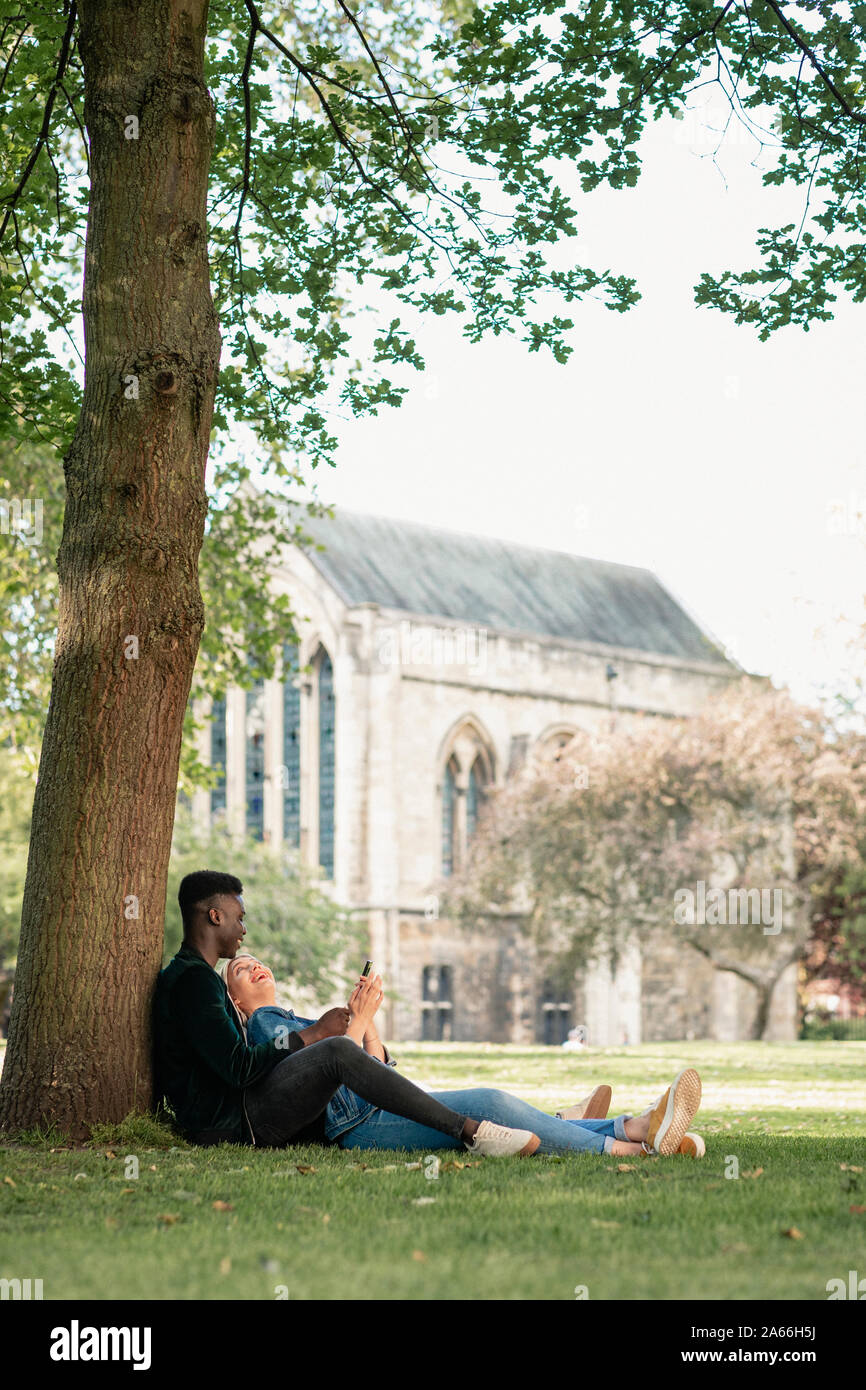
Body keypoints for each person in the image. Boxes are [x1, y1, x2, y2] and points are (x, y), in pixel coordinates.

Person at [152, 871, 542, 1158]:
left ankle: (517, 1129)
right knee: (336, 1050)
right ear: (215, 916)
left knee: (338, 1048)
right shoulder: (192, 980)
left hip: (249, 1113)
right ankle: (472, 1134)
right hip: (235, 1126)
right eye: (239, 917)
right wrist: (313, 1034)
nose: (244, 929)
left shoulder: (198, 978)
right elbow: (237, 1067)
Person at [229, 951, 706, 1159]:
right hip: (359, 1128)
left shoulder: (292, 1020)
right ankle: (627, 1146)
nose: (253, 966)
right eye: (240, 971)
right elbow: (336, 1089)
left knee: (496, 1106)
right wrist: (356, 1023)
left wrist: (367, 1020)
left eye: (255, 962)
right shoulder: (265, 1028)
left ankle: (641, 1128)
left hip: (375, 1110)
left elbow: (371, 1071)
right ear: (234, 1001)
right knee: (492, 1105)